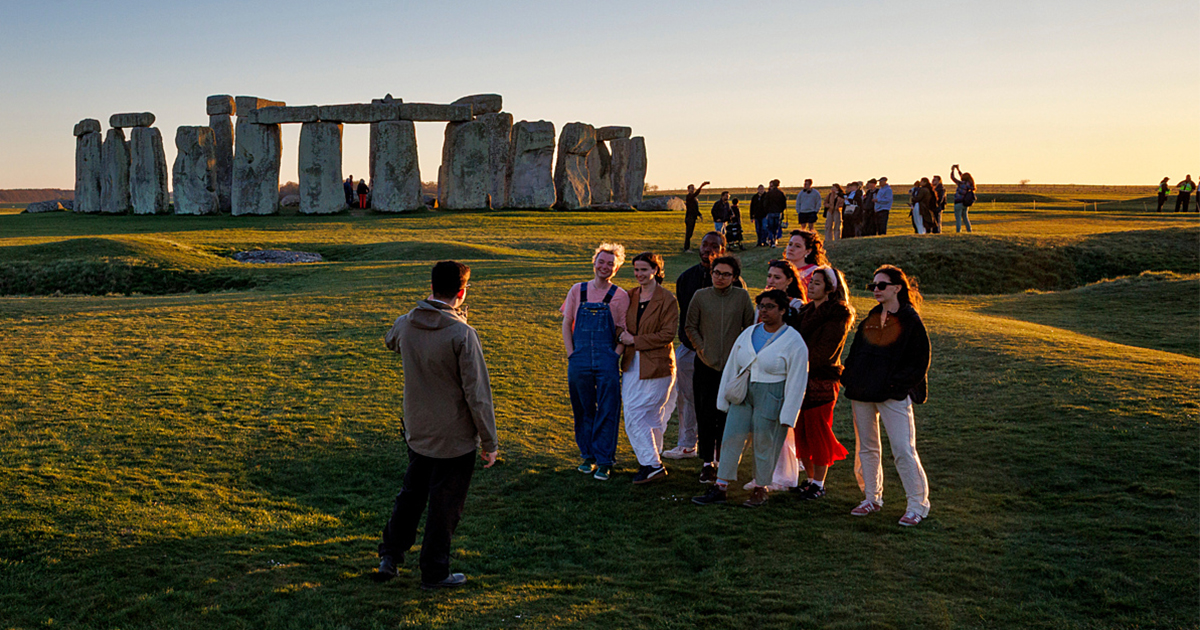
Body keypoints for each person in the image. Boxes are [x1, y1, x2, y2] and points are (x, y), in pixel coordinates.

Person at [377, 261, 499, 589]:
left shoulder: (406, 323)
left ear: (430, 288)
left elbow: (391, 340)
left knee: (411, 495)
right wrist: (490, 442)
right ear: (461, 292)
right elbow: (477, 394)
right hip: (454, 436)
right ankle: (434, 571)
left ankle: (390, 555)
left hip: (417, 428)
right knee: (445, 506)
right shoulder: (462, 333)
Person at [691, 289, 808, 507]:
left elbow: (798, 379)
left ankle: (760, 488)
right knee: (731, 437)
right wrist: (723, 399)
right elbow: (733, 366)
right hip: (744, 393)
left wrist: (789, 414)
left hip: (772, 394)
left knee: (766, 442)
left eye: (770, 306)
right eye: (761, 306)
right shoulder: (749, 333)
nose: (764, 311)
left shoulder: (793, 340)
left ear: (783, 310)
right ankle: (721, 486)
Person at [841, 265, 932, 527]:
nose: (876, 290)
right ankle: (872, 497)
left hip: (892, 395)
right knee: (867, 447)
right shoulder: (872, 316)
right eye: (873, 286)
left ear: (897, 288)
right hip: (862, 392)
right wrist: (851, 378)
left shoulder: (910, 320)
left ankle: (917, 504)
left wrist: (896, 386)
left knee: (903, 449)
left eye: (881, 285)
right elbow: (857, 352)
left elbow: (919, 361)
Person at [665, 233, 747, 461]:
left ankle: (719, 449)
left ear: (723, 250)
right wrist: (697, 345)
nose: (707, 249)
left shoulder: (736, 284)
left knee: (719, 401)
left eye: (714, 246)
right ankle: (687, 443)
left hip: (723, 354)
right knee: (687, 398)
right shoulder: (686, 278)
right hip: (691, 348)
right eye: (704, 244)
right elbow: (688, 320)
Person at [561, 243, 630, 481]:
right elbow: (566, 323)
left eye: (611, 263)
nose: (605, 267)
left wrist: (615, 355)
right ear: (594, 262)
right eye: (601, 261)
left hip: (606, 358)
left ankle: (604, 461)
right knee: (582, 407)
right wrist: (571, 353)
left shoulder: (620, 296)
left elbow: (622, 329)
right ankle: (587, 456)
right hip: (579, 358)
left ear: (617, 268)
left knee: (608, 408)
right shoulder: (577, 290)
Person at [685, 255, 756, 484]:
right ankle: (707, 462)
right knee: (705, 415)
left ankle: (724, 461)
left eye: (726, 274)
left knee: (728, 416)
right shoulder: (700, 296)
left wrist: (741, 356)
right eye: (716, 272)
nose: (720, 278)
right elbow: (690, 326)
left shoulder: (742, 297)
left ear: (734, 277)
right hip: (706, 365)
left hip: (733, 368)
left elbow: (749, 328)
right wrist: (701, 347)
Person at [790, 266, 853, 500]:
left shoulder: (838, 314)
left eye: (817, 282)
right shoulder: (805, 312)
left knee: (818, 430)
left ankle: (819, 482)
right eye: (811, 281)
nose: (811, 285)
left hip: (820, 379)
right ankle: (809, 479)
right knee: (801, 431)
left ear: (830, 288)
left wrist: (798, 363)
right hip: (800, 378)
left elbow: (825, 351)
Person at [618, 252, 679, 484]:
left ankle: (652, 465)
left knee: (636, 413)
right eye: (636, 270)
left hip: (658, 365)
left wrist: (635, 340)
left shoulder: (667, 300)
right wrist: (623, 337)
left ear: (656, 270)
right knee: (649, 416)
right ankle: (649, 460)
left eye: (644, 269)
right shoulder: (630, 295)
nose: (639, 274)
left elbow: (667, 334)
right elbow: (619, 324)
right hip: (632, 363)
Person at [784, 229, 830, 294]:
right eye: (790, 244)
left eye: (797, 246)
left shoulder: (815, 272)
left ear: (808, 251)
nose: (791, 249)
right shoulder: (780, 270)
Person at [683, 181, 710, 251]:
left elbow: (694, 208)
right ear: (688, 190)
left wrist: (699, 214)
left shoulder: (693, 198)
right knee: (688, 233)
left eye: (693, 188)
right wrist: (701, 186)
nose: (693, 189)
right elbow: (695, 194)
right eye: (691, 188)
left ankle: (687, 247)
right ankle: (686, 248)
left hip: (693, 217)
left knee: (690, 233)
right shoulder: (689, 196)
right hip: (689, 217)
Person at [950, 165, 975, 232]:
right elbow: (963, 177)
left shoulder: (961, 183)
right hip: (965, 203)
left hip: (958, 202)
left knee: (958, 218)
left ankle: (958, 231)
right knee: (965, 218)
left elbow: (953, 178)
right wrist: (958, 170)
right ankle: (969, 230)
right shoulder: (969, 184)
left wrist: (952, 170)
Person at [764, 179, 789, 247]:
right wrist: (780, 210)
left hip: (770, 212)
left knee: (770, 227)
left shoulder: (769, 193)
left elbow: (765, 203)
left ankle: (771, 240)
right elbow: (784, 204)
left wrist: (767, 211)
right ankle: (775, 240)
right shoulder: (781, 193)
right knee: (776, 227)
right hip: (778, 212)